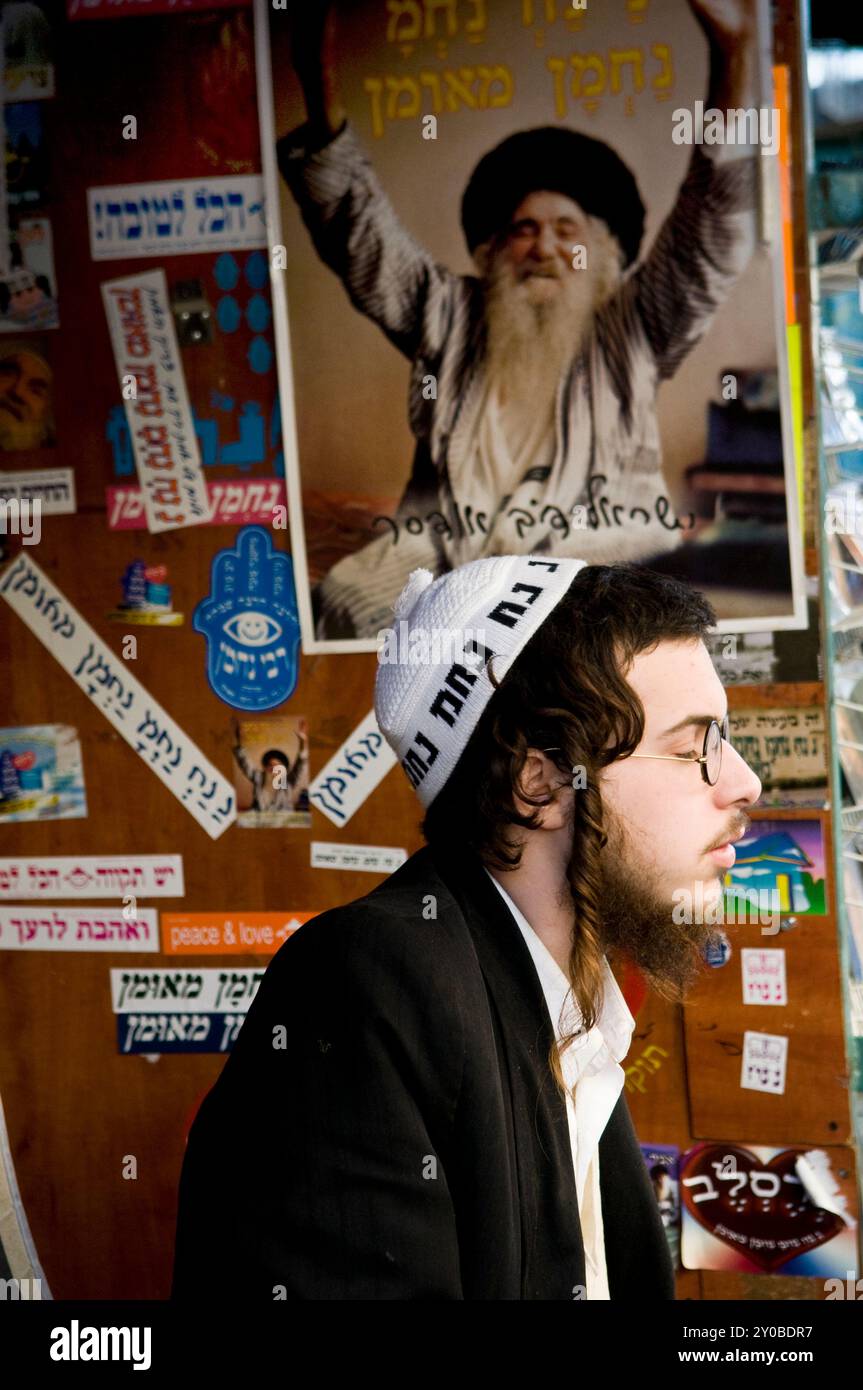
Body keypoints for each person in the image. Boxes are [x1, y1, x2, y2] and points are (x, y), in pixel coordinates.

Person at [171, 553, 762, 1299]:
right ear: (539, 781)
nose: (744, 782)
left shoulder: (570, 1011)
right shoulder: (369, 981)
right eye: (691, 747)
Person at [278, 0, 760, 637]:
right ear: (491, 253)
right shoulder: (447, 314)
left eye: (568, 231)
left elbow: (711, 232)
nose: (544, 247)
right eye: (524, 230)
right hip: (452, 553)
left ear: (605, 256)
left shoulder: (636, 323)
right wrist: (318, 83)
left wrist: (734, 59)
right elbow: (358, 231)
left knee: (609, 626)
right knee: (347, 601)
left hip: (601, 549)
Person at [230, 717, 308, 813]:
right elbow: (244, 763)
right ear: (266, 767)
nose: (274, 769)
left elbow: (300, 765)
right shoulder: (258, 776)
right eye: (271, 765)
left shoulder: (288, 781)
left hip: (282, 820)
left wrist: (302, 743)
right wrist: (239, 741)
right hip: (259, 817)